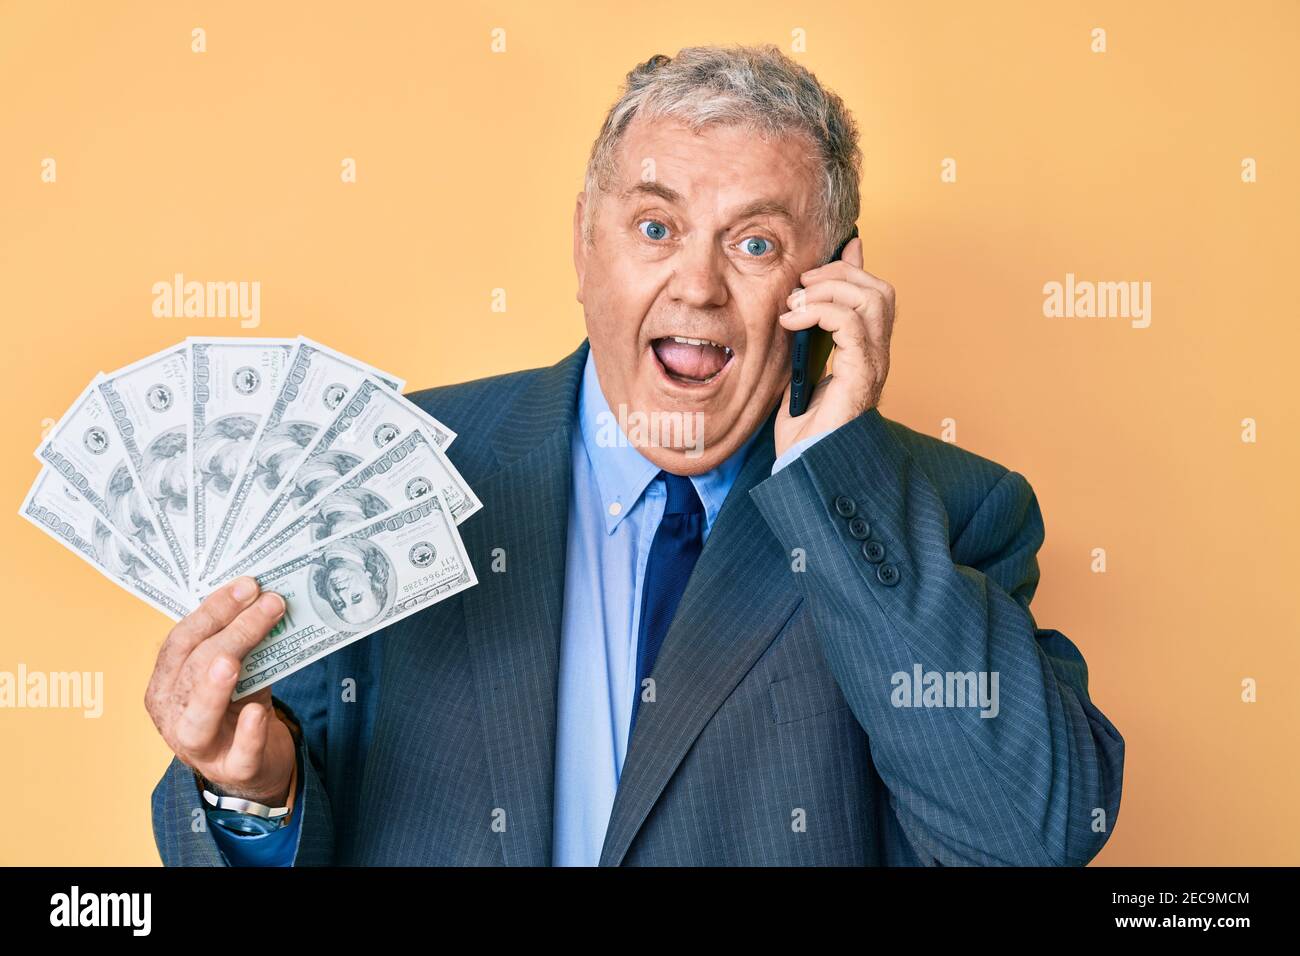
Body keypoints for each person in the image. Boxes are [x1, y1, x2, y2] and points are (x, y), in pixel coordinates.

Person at [146, 44, 1124, 866]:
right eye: (654, 228)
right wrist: (251, 795)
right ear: (584, 241)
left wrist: (839, 479)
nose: (695, 284)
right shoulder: (396, 471)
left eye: (753, 244)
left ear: (828, 283)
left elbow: (1028, 837)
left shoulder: (949, 510)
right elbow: (270, 818)